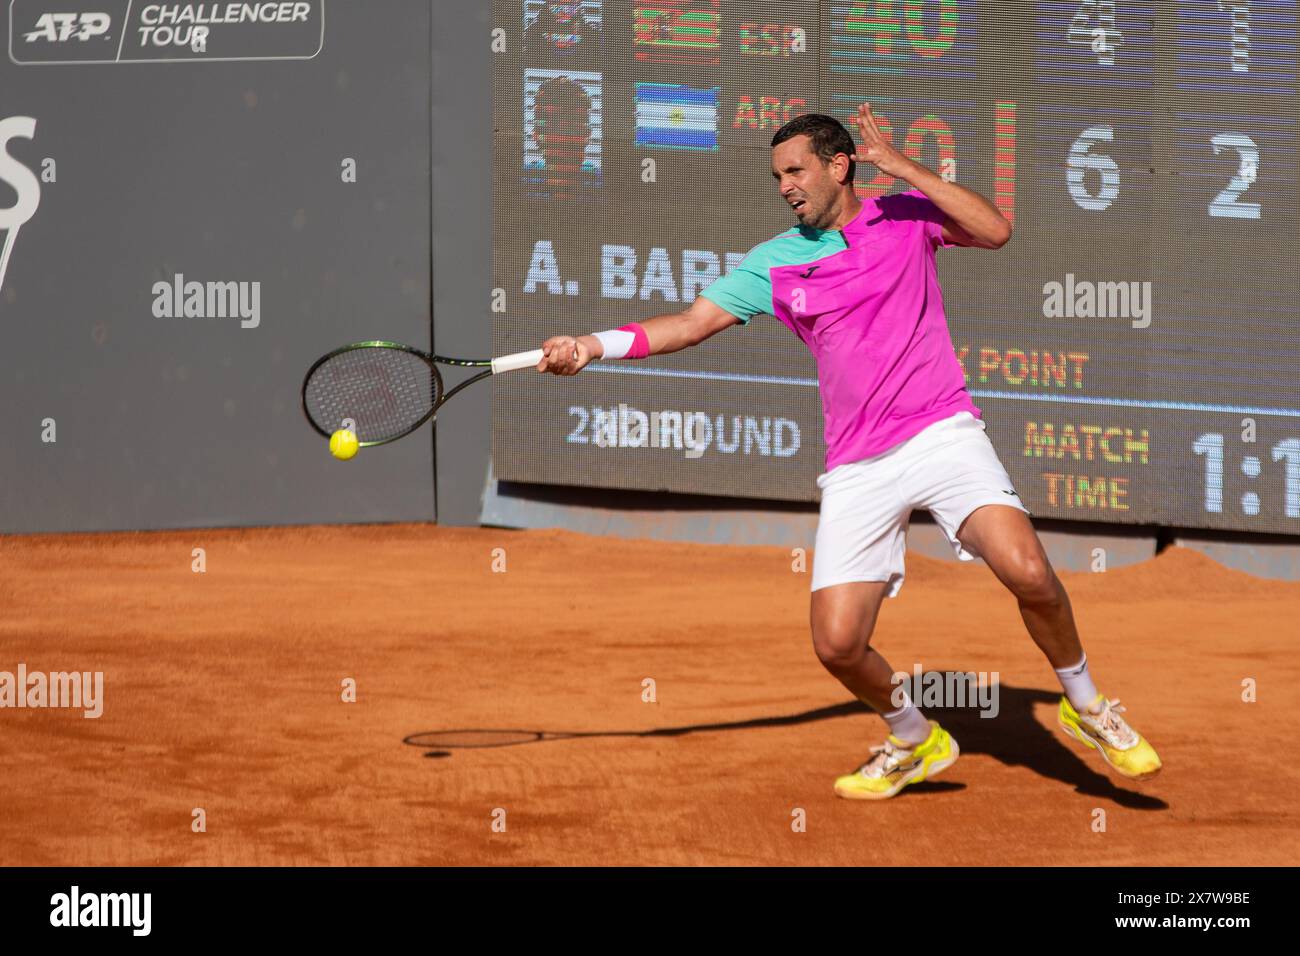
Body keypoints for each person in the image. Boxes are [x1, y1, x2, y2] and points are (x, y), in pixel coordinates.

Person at [535, 108, 1161, 799]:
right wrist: (592, 346)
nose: (785, 187)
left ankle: (1086, 703)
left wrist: (909, 170)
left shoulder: (904, 213)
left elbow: (995, 230)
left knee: (1029, 571)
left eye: (796, 170)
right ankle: (916, 738)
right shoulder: (774, 261)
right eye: (777, 176)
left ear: (840, 166)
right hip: (859, 465)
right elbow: (689, 324)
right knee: (836, 644)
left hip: (941, 432)